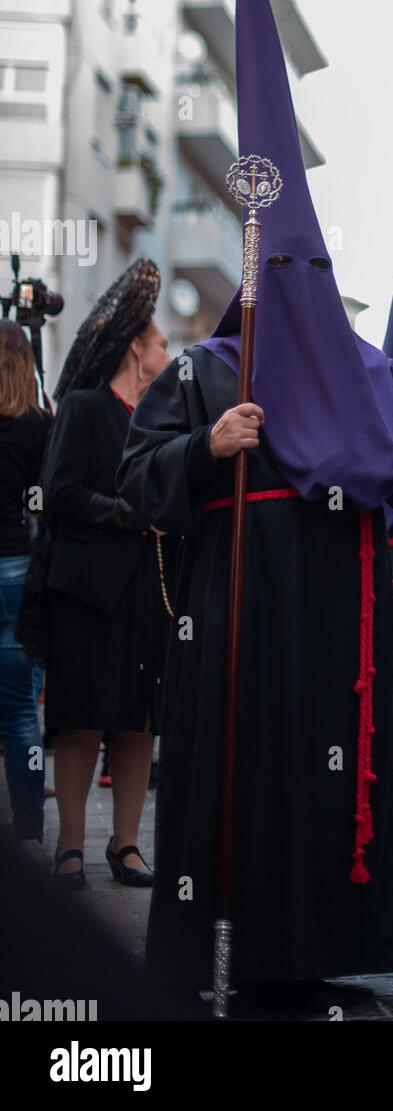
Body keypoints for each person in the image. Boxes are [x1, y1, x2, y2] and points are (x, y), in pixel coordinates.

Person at [117, 0, 393, 1007]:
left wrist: (361, 443)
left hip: (341, 629)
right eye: (283, 267)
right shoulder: (211, 369)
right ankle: (227, 967)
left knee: (332, 792)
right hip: (237, 628)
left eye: (314, 268)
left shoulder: (363, 370)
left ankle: (308, 959)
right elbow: (136, 474)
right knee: (243, 792)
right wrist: (209, 450)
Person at [41, 259, 171, 889]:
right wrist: (128, 515)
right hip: (86, 590)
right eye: (162, 342)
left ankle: (126, 846)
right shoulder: (85, 408)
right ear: (135, 348)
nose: (169, 352)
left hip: (147, 589)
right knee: (81, 719)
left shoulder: (159, 417)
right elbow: (59, 490)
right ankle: (70, 846)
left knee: (136, 721)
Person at [0, 320, 52, 846]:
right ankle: (30, 831)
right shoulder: (37, 424)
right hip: (15, 565)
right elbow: (43, 499)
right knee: (19, 712)